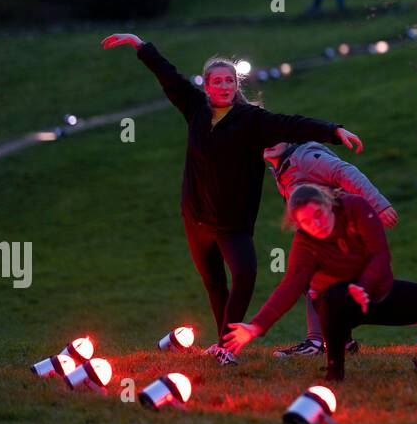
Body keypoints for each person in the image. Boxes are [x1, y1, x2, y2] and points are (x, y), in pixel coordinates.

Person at [101, 33, 362, 365]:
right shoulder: (195, 108)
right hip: (195, 217)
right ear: (207, 85)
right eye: (217, 81)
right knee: (214, 285)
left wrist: (334, 131)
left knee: (246, 273)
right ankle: (225, 345)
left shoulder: (251, 120)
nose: (223, 86)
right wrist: (139, 44)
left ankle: (228, 344)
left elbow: (291, 124)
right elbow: (169, 76)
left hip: (232, 223)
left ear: (235, 85)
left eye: (229, 80)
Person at [223, 184, 417, 380]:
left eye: (318, 214)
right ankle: (334, 370)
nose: (316, 225)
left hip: (376, 293)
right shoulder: (306, 242)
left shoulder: (355, 208)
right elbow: (291, 285)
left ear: (329, 204)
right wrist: (255, 326)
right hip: (336, 307)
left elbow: (379, 254)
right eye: (306, 222)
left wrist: (363, 287)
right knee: (332, 295)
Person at [263, 141, 398, 357]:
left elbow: (344, 171)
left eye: (274, 137)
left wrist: (379, 204)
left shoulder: (303, 158)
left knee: (314, 278)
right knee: (323, 281)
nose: (267, 144)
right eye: (262, 139)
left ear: (288, 137)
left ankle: (315, 342)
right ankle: (341, 340)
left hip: (339, 230)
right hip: (325, 234)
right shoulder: (284, 167)